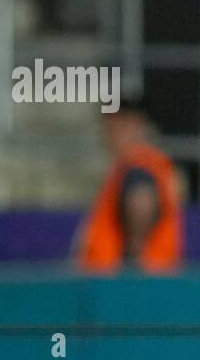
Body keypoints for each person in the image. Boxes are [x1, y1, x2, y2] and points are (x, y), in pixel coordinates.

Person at [74, 96, 183, 274]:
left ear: (133, 125)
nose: (107, 136)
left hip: (123, 282)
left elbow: (142, 200)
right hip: (140, 279)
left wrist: (133, 256)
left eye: (113, 128)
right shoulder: (145, 164)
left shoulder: (139, 164)